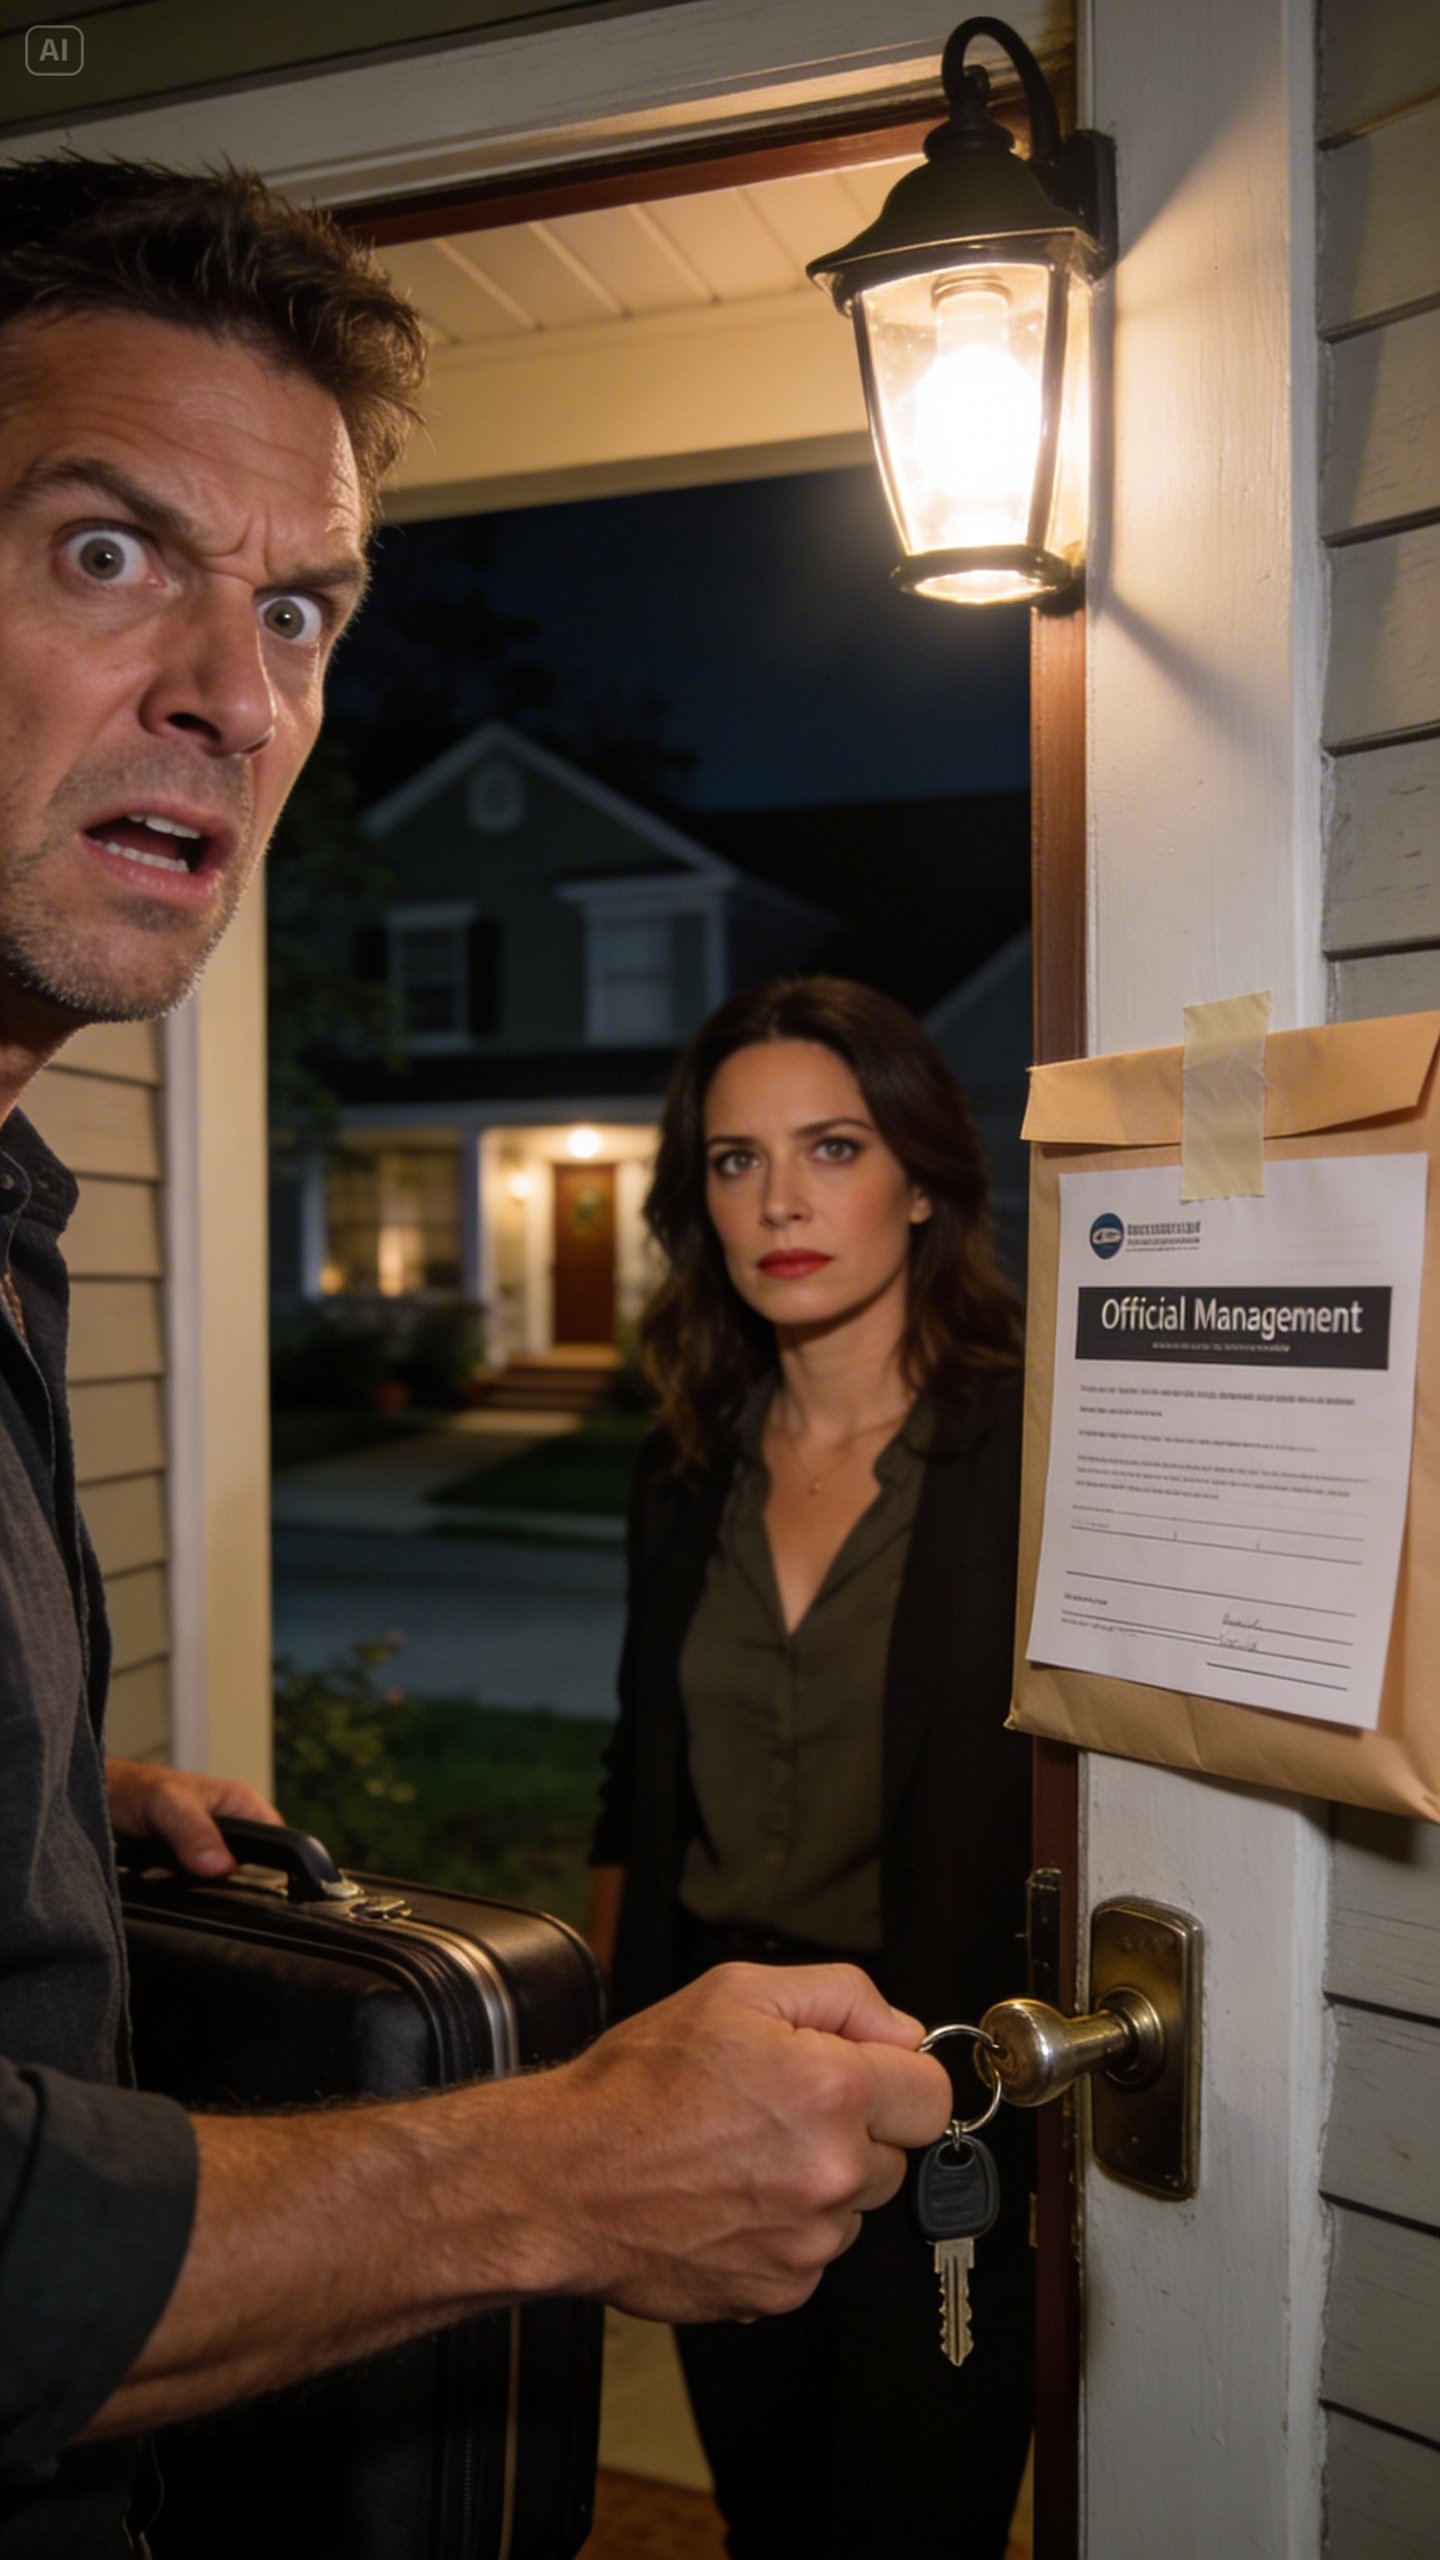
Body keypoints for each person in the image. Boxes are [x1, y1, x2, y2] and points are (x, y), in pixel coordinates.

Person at [0, 158, 954, 2557]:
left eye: (297, 609)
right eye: (105, 549)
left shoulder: (17, 1224)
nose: (236, 696)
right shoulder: (684, 1454)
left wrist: (47, 1792)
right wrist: (558, 2160)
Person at [589, 977, 1034, 2560]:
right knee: (764, 2518)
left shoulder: (1034, 1454)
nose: (778, 1200)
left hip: (939, 2091)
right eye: (735, 1160)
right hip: (718, 2082)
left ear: (920, 1181)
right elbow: (636, 1778)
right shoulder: (683, 1465)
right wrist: (613, 2056)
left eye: (832, 1147)